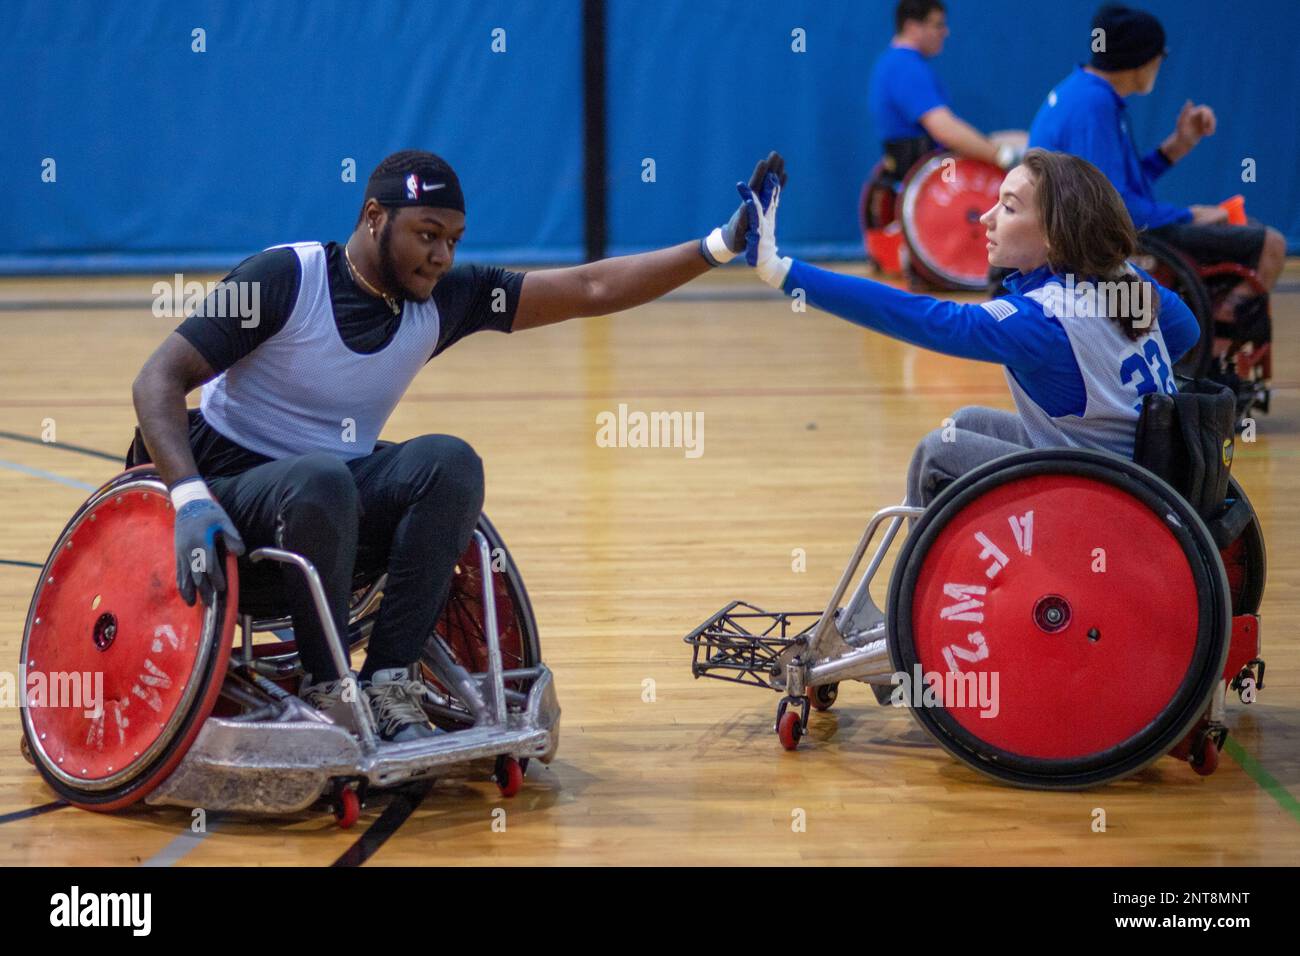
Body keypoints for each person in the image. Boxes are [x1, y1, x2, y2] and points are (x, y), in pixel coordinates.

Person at [132, 148, 785, 742]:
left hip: (327, 511)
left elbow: (590, 288)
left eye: (453, 240)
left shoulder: (445, 300)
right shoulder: (285, 277)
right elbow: (157, 379)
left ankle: (388, 681)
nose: (442, 255)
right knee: (323, 477)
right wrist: (188, 496)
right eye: (427, 235)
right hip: (227, 509)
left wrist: (720, 245)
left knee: (449, 461)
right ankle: (329, 688)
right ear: (374, 217)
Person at [738, 148, 1199, 507]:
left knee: (938, 452)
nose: (986, 217)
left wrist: (781, 270)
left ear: (1053, 235)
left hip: (1109, 493)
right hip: (1143, 467)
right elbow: (1185, 333)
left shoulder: (1041, 322)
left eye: (1009, 208)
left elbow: (919, 316)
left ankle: (920, 596)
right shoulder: (1121, 278)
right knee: (964, 425)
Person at [1028, 4, 1286, 325]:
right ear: (1142, 60)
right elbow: (1116, 207)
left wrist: (1177, 146)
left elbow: (1117, 186)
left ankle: (1212, 333)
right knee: (1270, 244)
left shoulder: (1085, 92)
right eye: (1161, 56)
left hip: (1087, 228)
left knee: (1239, 228)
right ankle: (1218, 337)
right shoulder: (1093, 105)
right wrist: (1189, 215)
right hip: (1088, 239)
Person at [869, 0, 1021, 185]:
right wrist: (1003, 157)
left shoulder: (892, 63)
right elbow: (946, 131)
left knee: (1016, 140)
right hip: (931, 179)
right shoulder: (905, 67)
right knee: (1020, 148)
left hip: (918, 169)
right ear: (912, 27)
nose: (945, 32)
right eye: (938, 25)